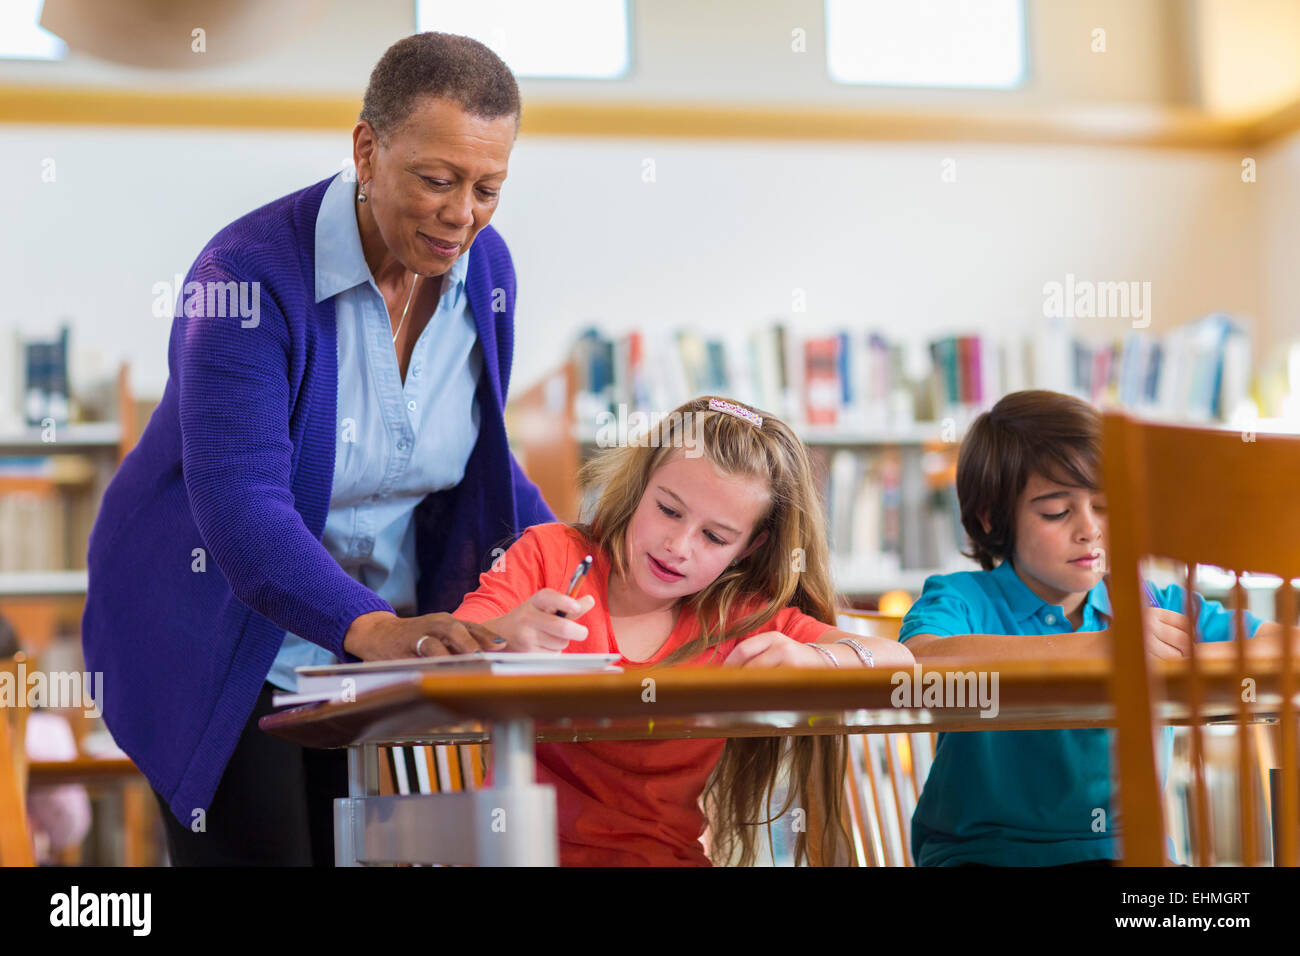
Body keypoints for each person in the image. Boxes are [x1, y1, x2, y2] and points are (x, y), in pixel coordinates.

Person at [81, 33, 552, 866]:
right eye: (438, 180)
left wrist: (584, 556)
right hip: (219, 630)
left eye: (489, 188)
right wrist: (370, 628)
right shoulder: (245, 277)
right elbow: (241, 503)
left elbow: (482, 466)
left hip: (376, 650)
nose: (463, 214)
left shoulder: (486, 271)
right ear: (367, 150)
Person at [451, 395, 915, 865]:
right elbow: (446, 652)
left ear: (750, 548)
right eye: (669, 510)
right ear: (640, 484)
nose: (678, 546)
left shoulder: (738, 616)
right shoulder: (550, 555)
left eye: (714, 537)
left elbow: (899, 662)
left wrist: (818, 659)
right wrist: (501, 639)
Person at [900, 389, 1286, 866]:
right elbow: (918, 662)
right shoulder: (963, 598)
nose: (1090, 529)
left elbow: (1278, 645)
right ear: (991, 518)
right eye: (1056, 511)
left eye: (1104, 506)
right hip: (984, 856)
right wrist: (1101, 648)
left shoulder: (1155, 603)